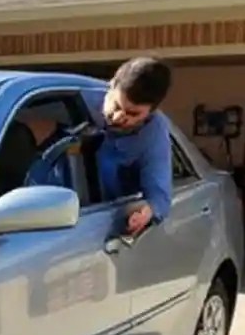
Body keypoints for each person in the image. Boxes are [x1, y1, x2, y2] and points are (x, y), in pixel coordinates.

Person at [25, 56, 174, 236]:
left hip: (98, 223)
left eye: (133, 114)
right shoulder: (69, 102)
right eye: (117, 106)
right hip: (37, 210)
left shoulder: (153, 133)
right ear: (111, 85)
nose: (119, 117)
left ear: (151, 112)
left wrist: (146, 212)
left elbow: (159, 196)